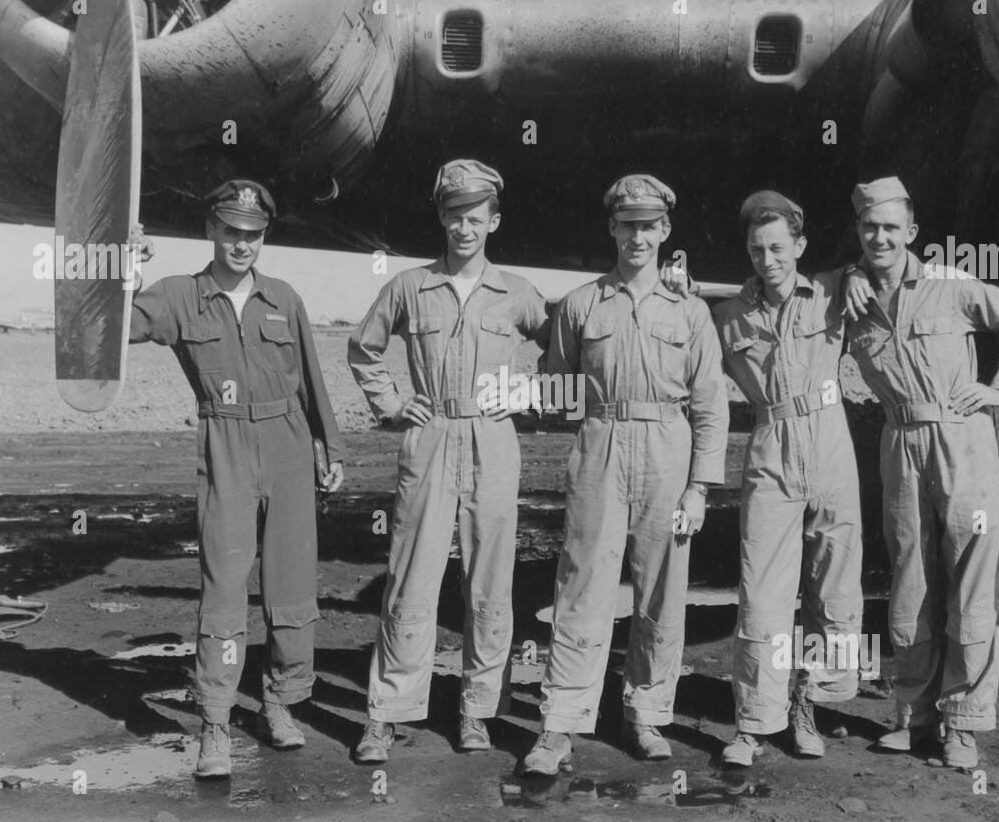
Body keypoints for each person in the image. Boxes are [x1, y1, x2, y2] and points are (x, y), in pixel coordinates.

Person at [128, 179, 345, 779]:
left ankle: (279, 701)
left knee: (291, 581)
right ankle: (216, 723)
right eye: (231, 231)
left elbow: (310, 378)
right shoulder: (180, 296)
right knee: (224, 585)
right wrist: (124, 269)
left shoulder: (283, 297)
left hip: (290, 443)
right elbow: (119, 326)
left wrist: (330, 444)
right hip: (224, 443)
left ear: (264, 235)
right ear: (211, 230)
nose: (241, 243)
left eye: (252, 234)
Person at [522, 174, 728, 775]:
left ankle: (646, 711)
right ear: (611, 228)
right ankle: (560, 723)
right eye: (627, 224)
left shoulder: (691, 312)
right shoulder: (582, 304)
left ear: (665, 231)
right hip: (601, 445)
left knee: (662, 588)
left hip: (669, 445)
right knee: (581, 584)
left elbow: (710, 405)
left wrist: (699, 487)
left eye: (649, 225)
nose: (638, 236)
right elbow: (558, 384)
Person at [346, 160, 551, 761]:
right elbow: (364, 348)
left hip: (493, 437)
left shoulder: (517, 292)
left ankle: (479, 712)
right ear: (441, 218)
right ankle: (387, 711)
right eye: (454, 215)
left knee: (490, 581)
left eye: (475, 216)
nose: (465, 227)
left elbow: (562, 344)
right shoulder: (410, 287)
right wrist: (392, 404)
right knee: (411, 577)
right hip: (431, 432)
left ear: (494, 220)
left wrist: (529, 393)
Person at [842, 176, 999, 769]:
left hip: (962, 438)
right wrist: (850, 274)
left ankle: (963, 723)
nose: (881, 237)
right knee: (910, 574)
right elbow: (790, 283)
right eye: (870, 227)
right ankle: (912, 712)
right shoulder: (849, 297)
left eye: (892, 228)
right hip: (900, 440)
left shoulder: (953, 286)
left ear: (913, 233)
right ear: (859, 231)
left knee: (972, 577)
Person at [712, 190, 864, 766]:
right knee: (764, 594)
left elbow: (887, 268)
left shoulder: (832, 291)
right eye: (757, 248)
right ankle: (754, 722)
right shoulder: (728, 317)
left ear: (799, 245)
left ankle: (808, 704)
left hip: (829, 443)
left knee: (834, 585)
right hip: (771, 448)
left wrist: (855, 272)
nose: (768, 258)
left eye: (778, 246)